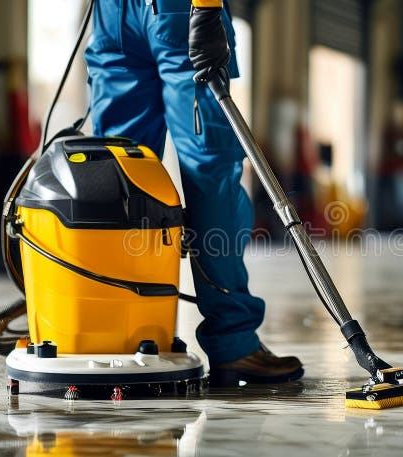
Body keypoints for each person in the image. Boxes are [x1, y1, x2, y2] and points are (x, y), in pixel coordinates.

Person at [84, 0, 303, 386]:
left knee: (121, 172)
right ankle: (233, 344)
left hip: (111, 17)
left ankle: (122, 336)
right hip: (179, 10)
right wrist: (206, 8)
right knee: (209, 175)